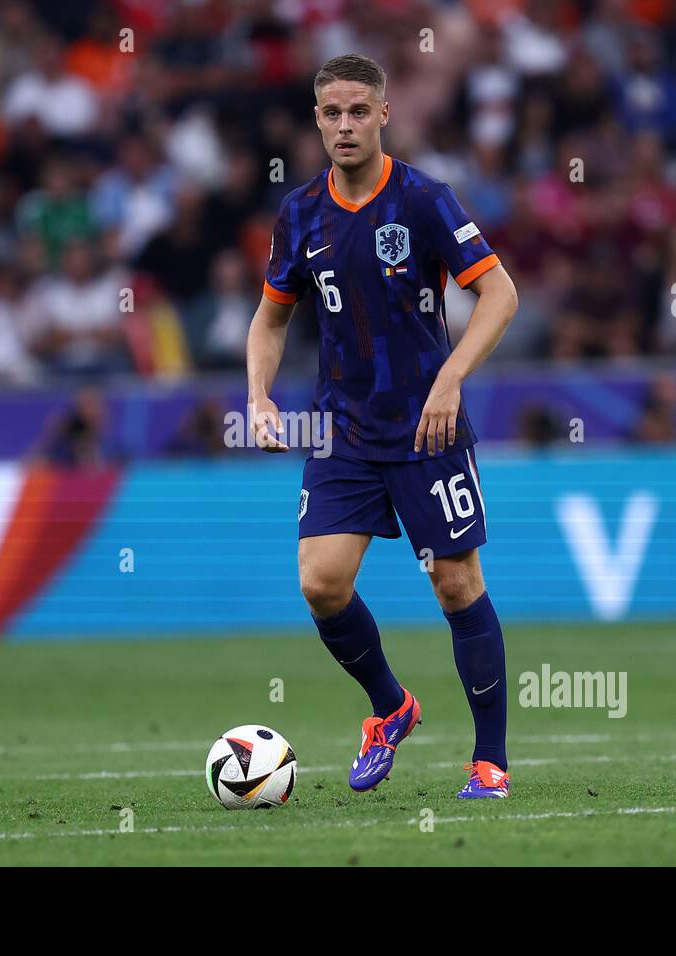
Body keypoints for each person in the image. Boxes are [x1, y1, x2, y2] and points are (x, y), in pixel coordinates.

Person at [245, 54, 519, 799]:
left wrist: (452, 378)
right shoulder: (300, 213)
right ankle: (390, 707)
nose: (344, 125)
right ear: (315, 119)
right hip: (340, 430)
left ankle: (488, 762)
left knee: (457, 585)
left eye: (358, 111)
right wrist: (259, 397)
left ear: (383, 114)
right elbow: (271, 317)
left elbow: (499, 294)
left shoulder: (424, 199)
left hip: (425, 427)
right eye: (331, 113)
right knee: (322, 584)